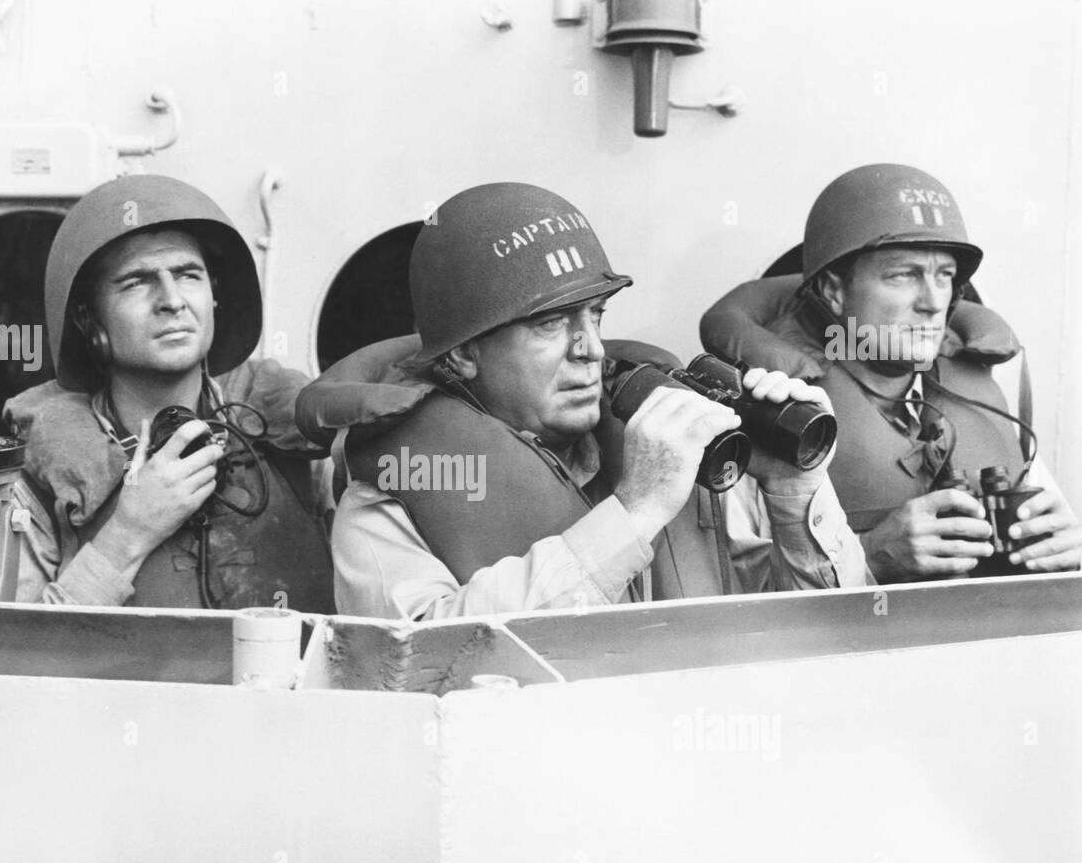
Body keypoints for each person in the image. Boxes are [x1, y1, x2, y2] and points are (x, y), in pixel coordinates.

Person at [295, 182, 869, 620]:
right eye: (549, 324)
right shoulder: (396, 494)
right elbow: (422, 663)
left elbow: (813, 633)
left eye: (595, 315)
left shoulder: (668, 455)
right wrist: (635, 514)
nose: (590, 349)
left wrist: (797, 494)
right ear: (465, 355)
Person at [700, 163, 1081, 583]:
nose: (934, 302)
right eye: (904, 275)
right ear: (833, 291)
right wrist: (870, 558)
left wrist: (1068, 554)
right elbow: (737, 605)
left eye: (946, 276)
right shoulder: (760, 418)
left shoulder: (985, 399)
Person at [0, 174, 334, 610]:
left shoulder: (291, 432)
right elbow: (16, 653)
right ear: (86, 318)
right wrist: (127, 534)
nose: (172, 300)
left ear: (213, 296)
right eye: (137, 282)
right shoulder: (43, 474)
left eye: (187, 275)